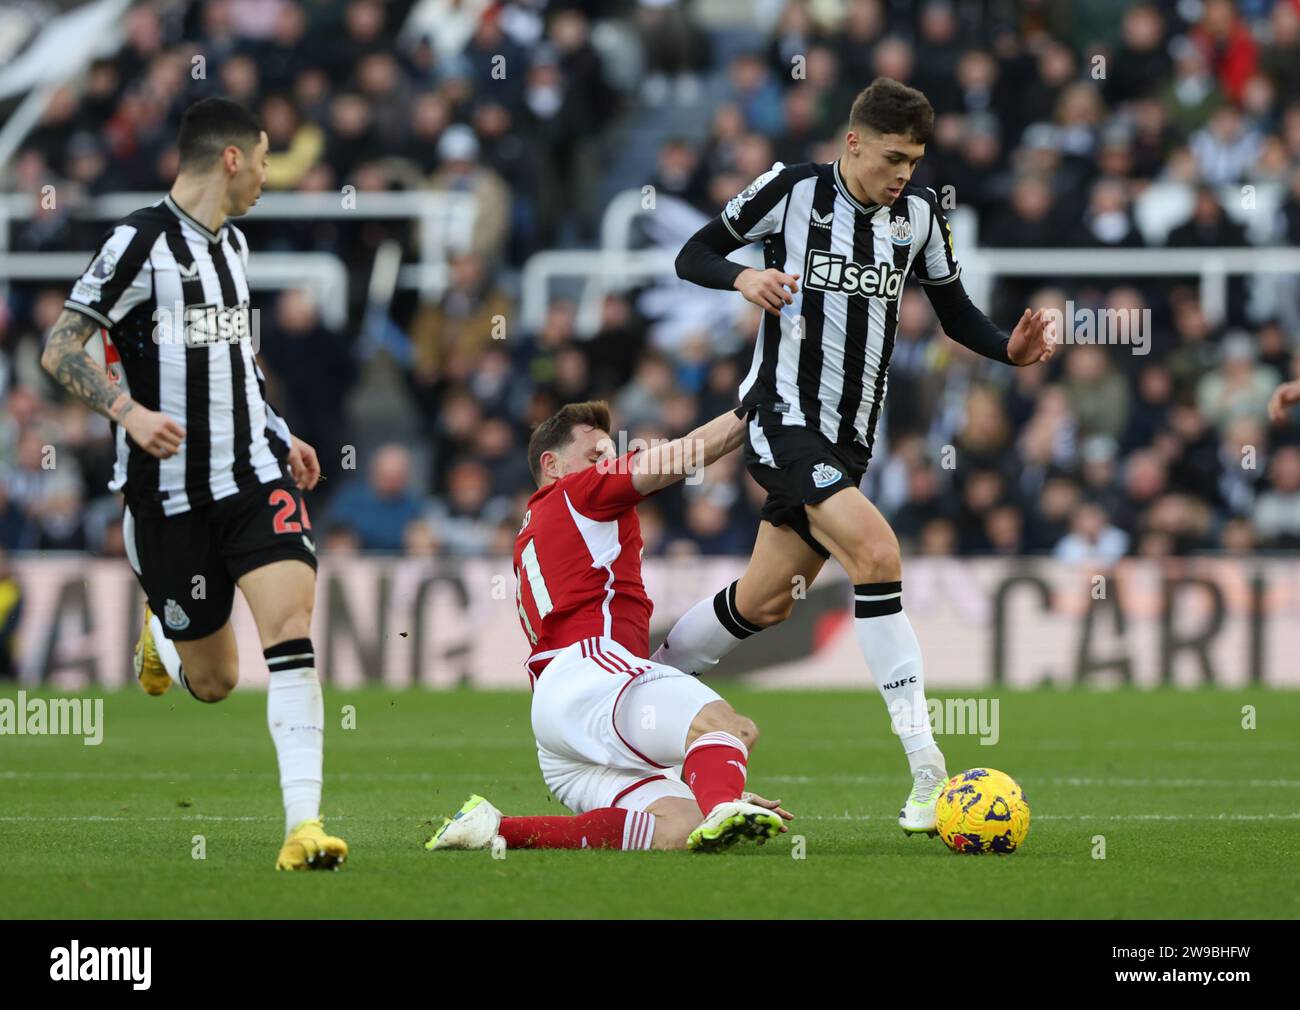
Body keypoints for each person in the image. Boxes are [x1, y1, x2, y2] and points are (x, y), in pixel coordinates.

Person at [658, 77, 1055, 836]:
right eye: (892, 156)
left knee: (766, 600)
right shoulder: (790, 191)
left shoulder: (918, 217)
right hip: (782, 416)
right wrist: (742, 275)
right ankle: (927, 773)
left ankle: (651, 684)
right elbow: (693, 252)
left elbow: (953, 310)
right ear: (853, 143)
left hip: (849, 438)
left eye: (914, 159)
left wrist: (1008, 347)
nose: (903, 172)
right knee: (877, 553)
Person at [39, 97, 344, 871]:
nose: (270, 176)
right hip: (166, 496)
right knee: (214, 680)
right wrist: (126, 410)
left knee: (292, 632)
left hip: (251, 477)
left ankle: (304, 826)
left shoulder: (233, 249)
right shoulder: (138, 243)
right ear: (232, 158)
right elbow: (61, 344)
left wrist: (279, 432)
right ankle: (166, 643)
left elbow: (235, 366)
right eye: (268, 159)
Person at [428, 401, 792, 853]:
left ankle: (497, 827)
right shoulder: (575, 493)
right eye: (596, 455)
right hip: (589, 674)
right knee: (730, 729)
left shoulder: (537, 528)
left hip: (559, 723)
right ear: (552, 464)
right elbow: (681, 455)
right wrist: (752, 408)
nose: (608, 463)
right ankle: (724, 806)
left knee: (679, 828)